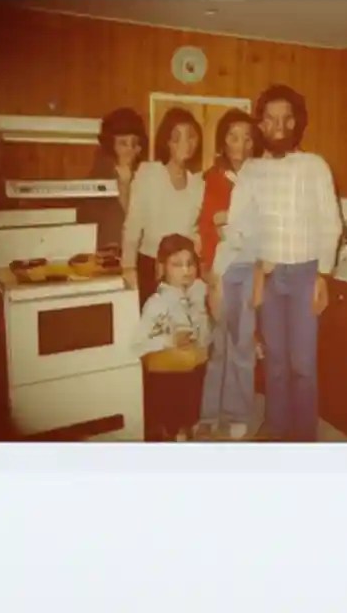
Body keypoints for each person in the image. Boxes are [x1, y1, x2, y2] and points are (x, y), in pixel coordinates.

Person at [229, 84, 341, 442]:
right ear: (261, 125)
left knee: (303, 365)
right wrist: (257, 265)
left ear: (296, 123)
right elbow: (239, 224)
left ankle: (305, 436)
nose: (278, 125)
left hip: (307, 274)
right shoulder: (251, 171)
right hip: (270, 275)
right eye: (270, 119)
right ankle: (277, 428)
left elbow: (330, 222)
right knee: (275, 361)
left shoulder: (314, 166)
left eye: (286, 118)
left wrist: (323, 274)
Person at [195, 108, 262, 440]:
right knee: (217, 344)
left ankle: (237, 412)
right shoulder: (212, 177)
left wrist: (230, 221)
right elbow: (210, 226)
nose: (241, 143)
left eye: (248, 137)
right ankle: (209, 413)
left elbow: (258, 228)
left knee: (242, 342)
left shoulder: (261, 176)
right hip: (221, 270)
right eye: (234, 136)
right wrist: (209, 272)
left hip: (249, 268)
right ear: (224, 140)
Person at [122, 106, 205, 308]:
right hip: (151, 267)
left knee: (183, 333)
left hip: (184, 270)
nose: (186, 144)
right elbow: (133, 224)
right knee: (156, 331)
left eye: (191, 137)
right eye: (177, 138)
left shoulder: (198, 183)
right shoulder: (149, 173)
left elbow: (196, 230)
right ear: (167, 142)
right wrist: (128, 266)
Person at [131, 234, 211, 442]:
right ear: (162, 268)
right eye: (177, 265)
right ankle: (174, 431)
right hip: (169, 379)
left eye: (190, 264)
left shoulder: (199, 293)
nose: (186, 271)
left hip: (196, 371)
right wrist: (169, 341)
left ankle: (191, 426)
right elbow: (137, 346)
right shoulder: (156, 304)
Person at [80, 107, 147, 251]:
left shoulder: (144, 178)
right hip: (104, 261)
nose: (130, 150)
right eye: (123, 143)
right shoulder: (97, 181)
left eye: (134, 143)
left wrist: (126, 185)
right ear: (110, 145)